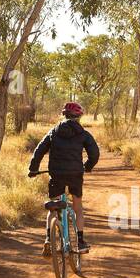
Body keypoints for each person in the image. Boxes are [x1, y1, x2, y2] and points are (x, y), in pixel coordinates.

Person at [28, 102, 100, 257]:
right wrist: (87, 166)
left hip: (56, 174)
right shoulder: (83, 134)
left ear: (64, 115)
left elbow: (39, 150)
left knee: (53, 207)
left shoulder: (54, 132)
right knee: (78, 208)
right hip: (75, 174)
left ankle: (48, 238)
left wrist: (33, 169)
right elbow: (95, 153)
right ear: (79, 117)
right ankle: (80, 241)